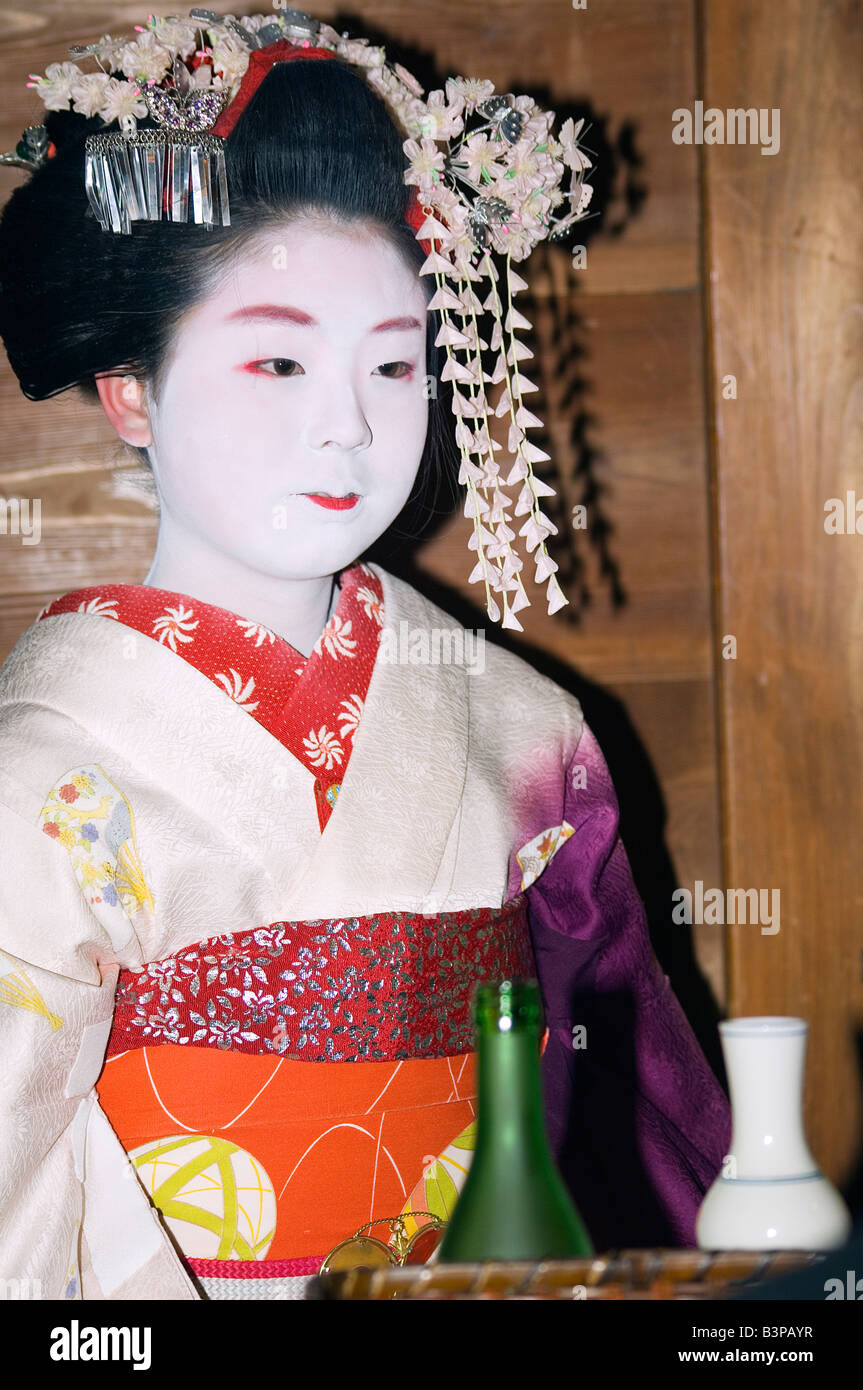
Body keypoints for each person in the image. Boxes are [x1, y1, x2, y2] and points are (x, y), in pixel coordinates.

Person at [0, 11, 730, 1300]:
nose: (347, 426)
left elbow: (630, 1129)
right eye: (278, 358)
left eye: (394, 365)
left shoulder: (524, 735)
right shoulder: (42, 781)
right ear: (133, 390)